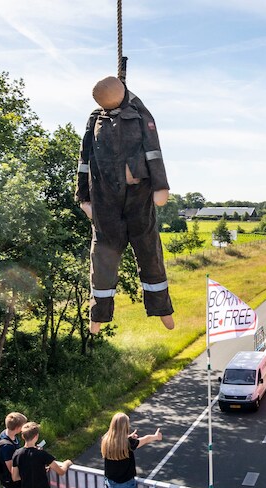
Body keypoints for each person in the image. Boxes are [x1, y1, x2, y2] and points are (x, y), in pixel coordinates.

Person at [75, 76, 175, 334]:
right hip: (105, 198)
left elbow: (154, 149)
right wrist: (83, 198)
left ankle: (161, 309)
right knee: (102, 259)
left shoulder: (138, 113)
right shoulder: (94, 120)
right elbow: (84, 160)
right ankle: (98, 313)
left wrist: (160, 185)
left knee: (150, 253)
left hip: (138, 196)